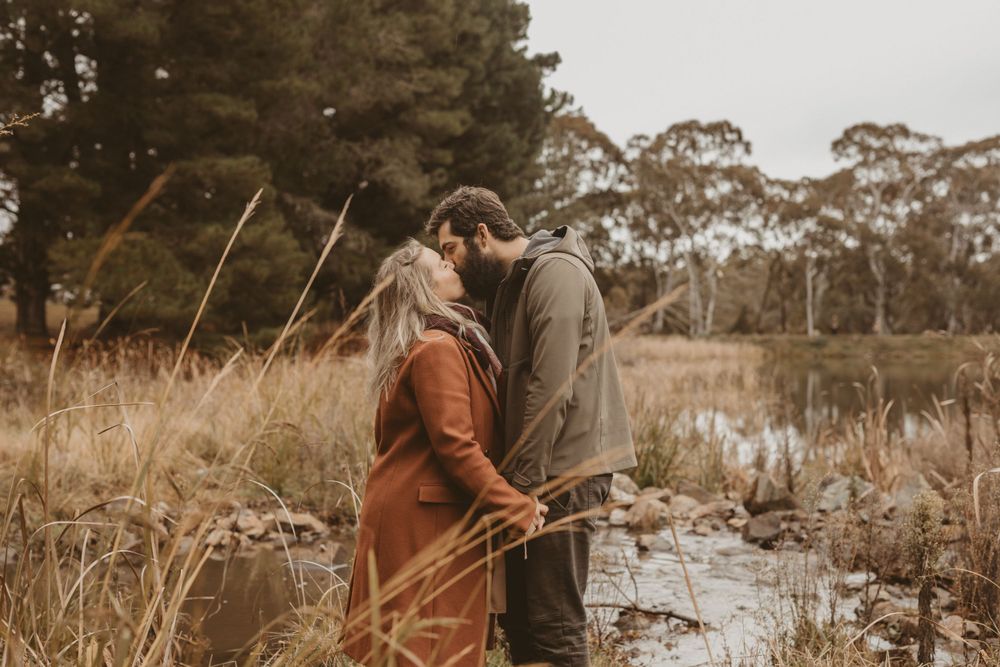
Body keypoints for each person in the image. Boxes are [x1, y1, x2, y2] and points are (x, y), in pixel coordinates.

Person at [427, 186, 637, 667]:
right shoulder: (508, 287)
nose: (450, 262)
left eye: (451, 248)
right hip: (530, 476)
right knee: (519, 624)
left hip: (564, 475)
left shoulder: (555, 272)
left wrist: (519, 492)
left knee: (555, 627)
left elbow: (551, 389)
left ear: (482, 234)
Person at [341, 240, 547, 667]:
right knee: (432, 651)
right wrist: (518, 508)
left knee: (413, 650)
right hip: (424, 524)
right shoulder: (437, 347)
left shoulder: (435, 340)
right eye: (440, 263)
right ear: (423, 286)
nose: (452, 264)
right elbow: (457, 447)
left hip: (418, 517)